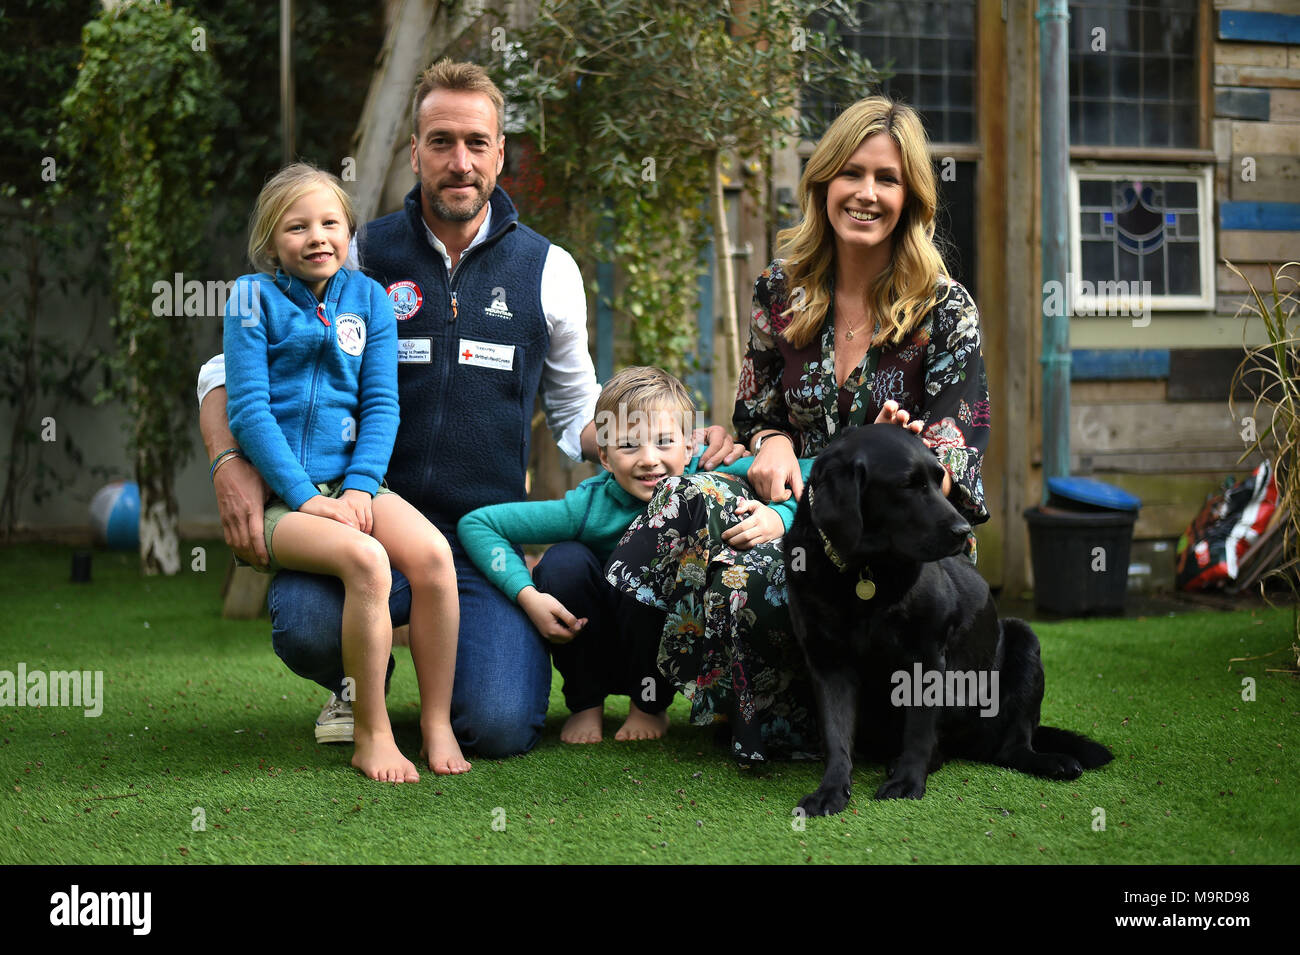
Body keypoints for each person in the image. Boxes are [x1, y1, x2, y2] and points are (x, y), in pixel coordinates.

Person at [197, 59, 740, 758]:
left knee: (500, 727)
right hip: (370, 517)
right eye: (442, 141)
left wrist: (670, 444)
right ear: (416, 149)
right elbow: (230, 368)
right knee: (303, 620)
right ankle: (359, 681)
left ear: (500, 152)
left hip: (479, 540)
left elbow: (582, 413)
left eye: (476, 143)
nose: (460, 161)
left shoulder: (549, 270)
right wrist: (226, 457)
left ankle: (449, 691)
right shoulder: (359, 252)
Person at [604, 95, 991, 764]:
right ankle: (636, 657)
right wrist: (773, 441)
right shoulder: (778, 293)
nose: (866, 193)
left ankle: (783, 725)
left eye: (887, 179)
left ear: (912, 197)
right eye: (852, 173)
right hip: (785, 507)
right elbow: (756, 416)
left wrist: (903, 447)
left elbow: (956, 456)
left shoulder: (945, 307)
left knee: (755, 564)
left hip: (899, 545)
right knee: (688, 494)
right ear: (824, 182)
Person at [221, 162, 467, 782]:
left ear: (349, 231)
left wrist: (360, 485)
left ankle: (435, 722)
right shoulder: (251, 299)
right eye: (296, 227)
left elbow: (382, 403)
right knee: (368, 562)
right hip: (285, 499)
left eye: (330, 222)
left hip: (355, 482)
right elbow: (248, 411)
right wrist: (304, 497)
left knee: (435, 557)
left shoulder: (369, 299)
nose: (317, 237)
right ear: (270, 241)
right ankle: (372, 731)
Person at [458, 366, 811, 744]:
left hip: (660, 643)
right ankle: (585, 704)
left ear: (690, 445)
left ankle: (648, 705)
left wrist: (780, 514)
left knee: (657, 569)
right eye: (629, 446)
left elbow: (808, 474)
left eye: (663, 442)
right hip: (595, 635)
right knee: (563, 563)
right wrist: (526, 595)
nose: (648, 459)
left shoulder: (710, 473)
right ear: (605, 457)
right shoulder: (590, 507)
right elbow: (477, 525)